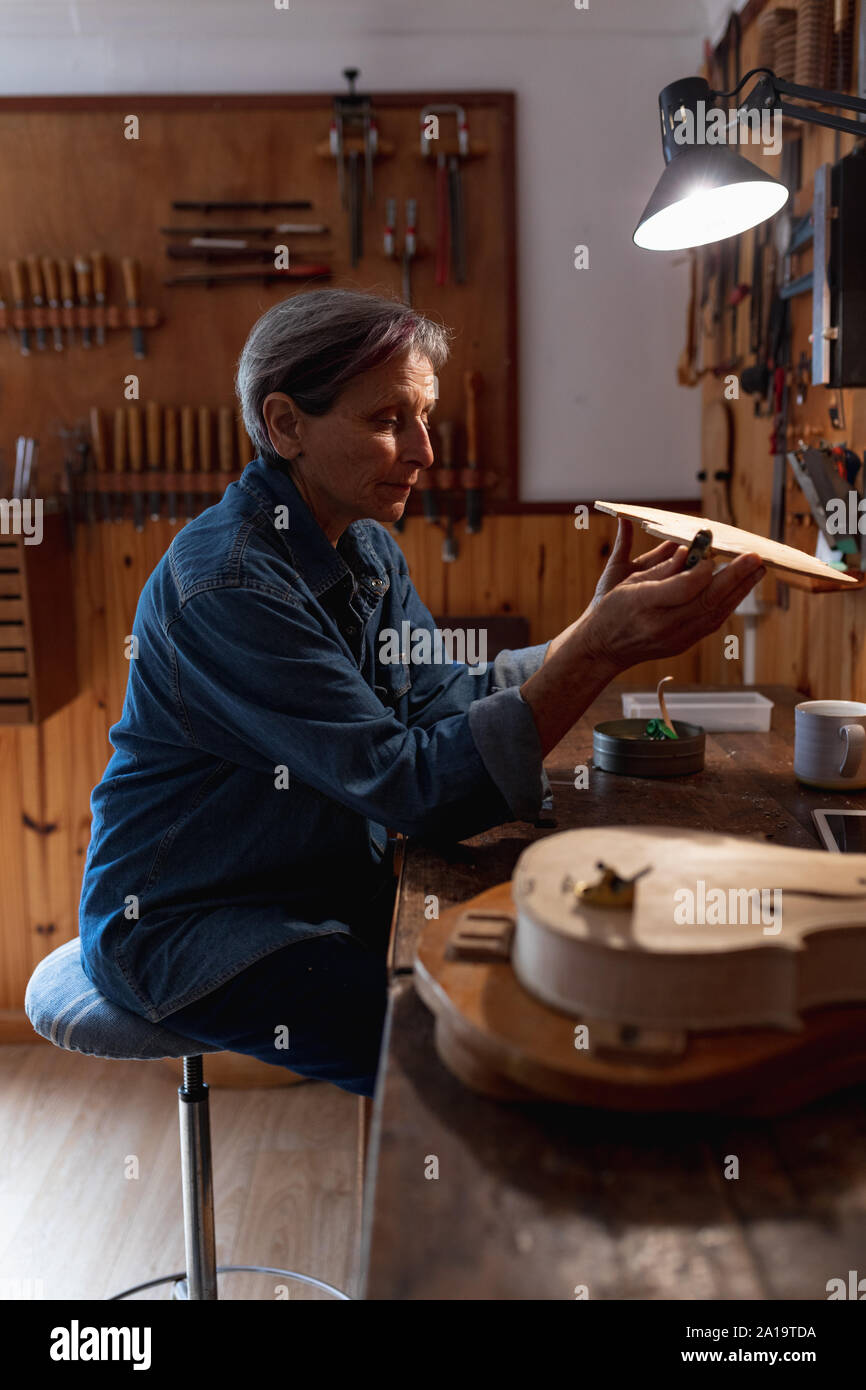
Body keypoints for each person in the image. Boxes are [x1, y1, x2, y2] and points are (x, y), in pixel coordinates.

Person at [78, 287, 765, 1097]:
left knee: (558, 971)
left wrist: (589, 635)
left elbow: (445, 701)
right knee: (470, 1052)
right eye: (387, 420)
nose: (424, 452)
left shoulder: (364, 546)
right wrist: (597, 653)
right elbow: (410, 785)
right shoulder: (230, 586)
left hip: (322, 884)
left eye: (425, 416)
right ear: (286, 424)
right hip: (194, 922)